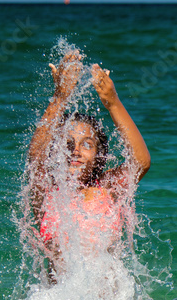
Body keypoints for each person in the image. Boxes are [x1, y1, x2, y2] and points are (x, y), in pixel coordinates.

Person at [25, 51, 150, 280]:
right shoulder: (48, 193)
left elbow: (140, 161)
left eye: (86, 144)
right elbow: (35, 157)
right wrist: (60, 97)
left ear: (99, 155)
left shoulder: (109, 188)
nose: (75, 150)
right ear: (57, 151)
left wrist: (113, 103)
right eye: (68, 143)